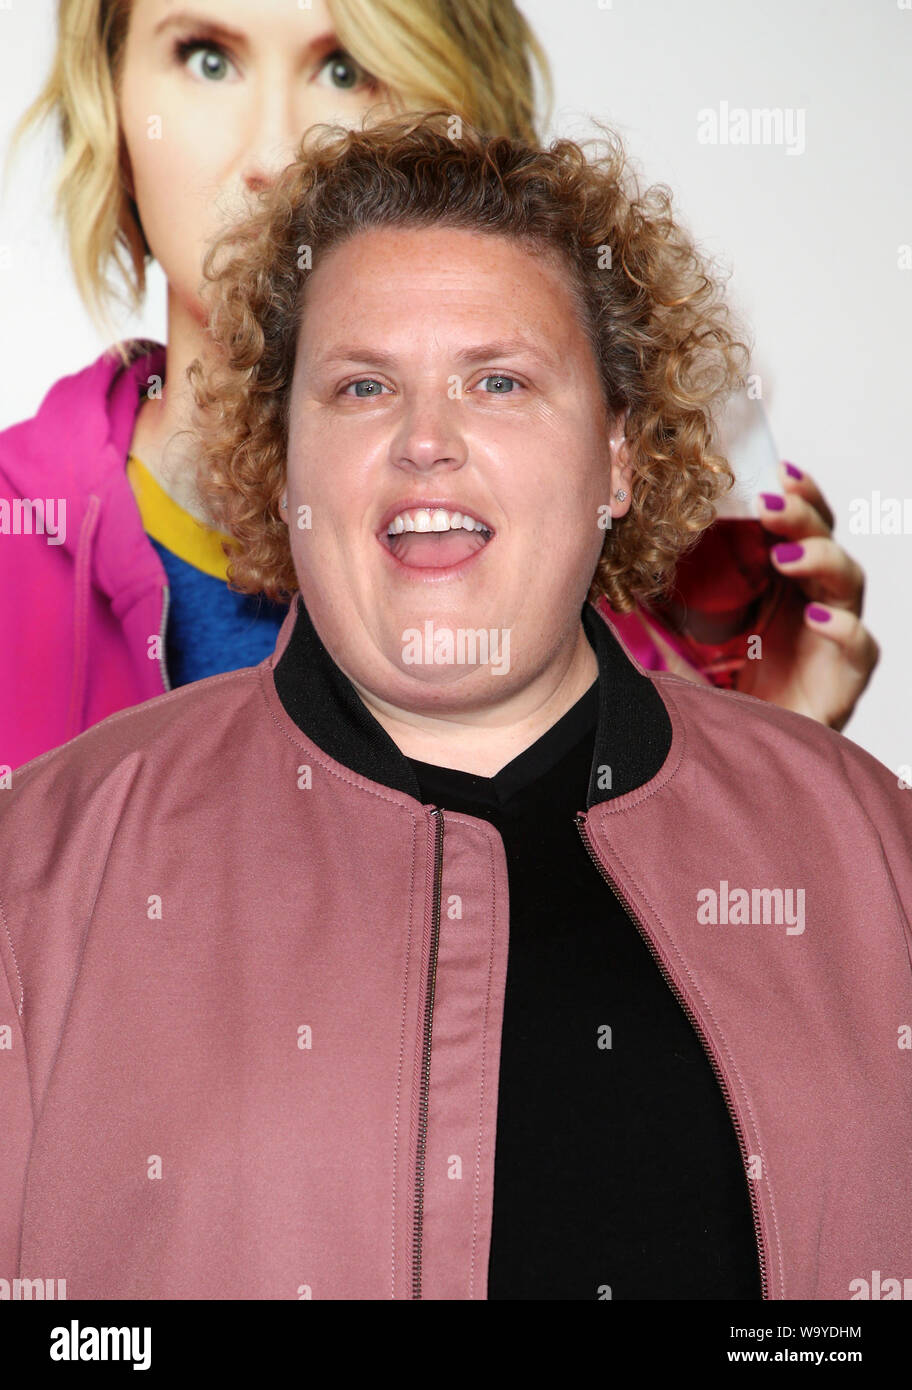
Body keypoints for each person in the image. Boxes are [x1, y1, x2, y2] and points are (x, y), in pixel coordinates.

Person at [1, 112, 909, 1301]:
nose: (427, 442)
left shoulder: (869, 847)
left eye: (499, 381)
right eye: (365, 385)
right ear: (281, 463)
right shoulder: (43, 866)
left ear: (621, 457)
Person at [0, 0, 877, 772]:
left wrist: (758, 765)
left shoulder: (633, 597)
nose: (271, 153)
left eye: (346, 67)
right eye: (207, 56)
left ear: (457, 124)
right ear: (108, 100)